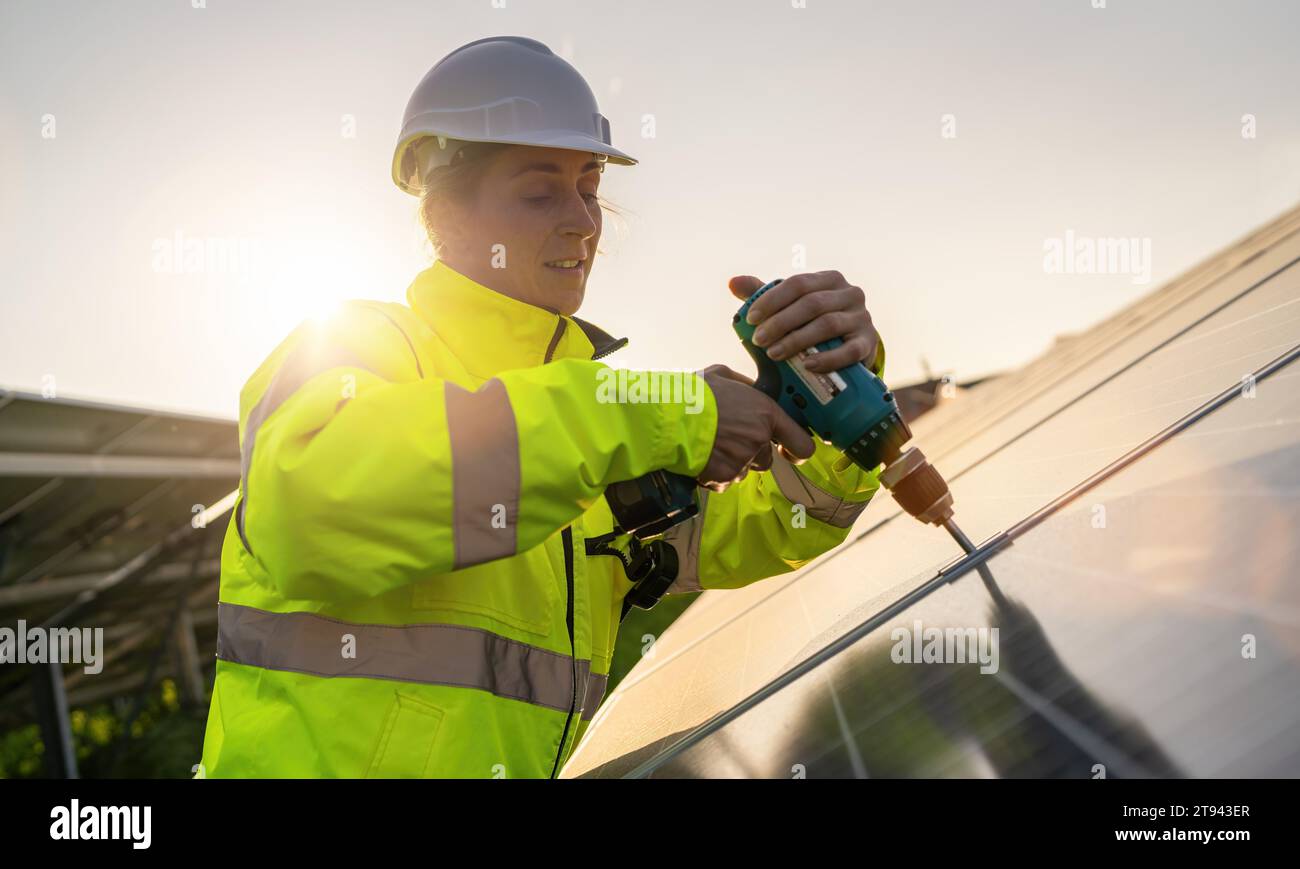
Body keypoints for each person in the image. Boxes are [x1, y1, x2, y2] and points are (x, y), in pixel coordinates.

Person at [197, 35, 886, 779]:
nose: (584, 223)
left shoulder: (594, 423)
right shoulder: (356, 342)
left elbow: (777, 525)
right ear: (441, 210)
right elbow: (314, 508)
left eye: (589, 187)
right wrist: (661, 414)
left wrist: (842, 398)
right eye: (539, 191)